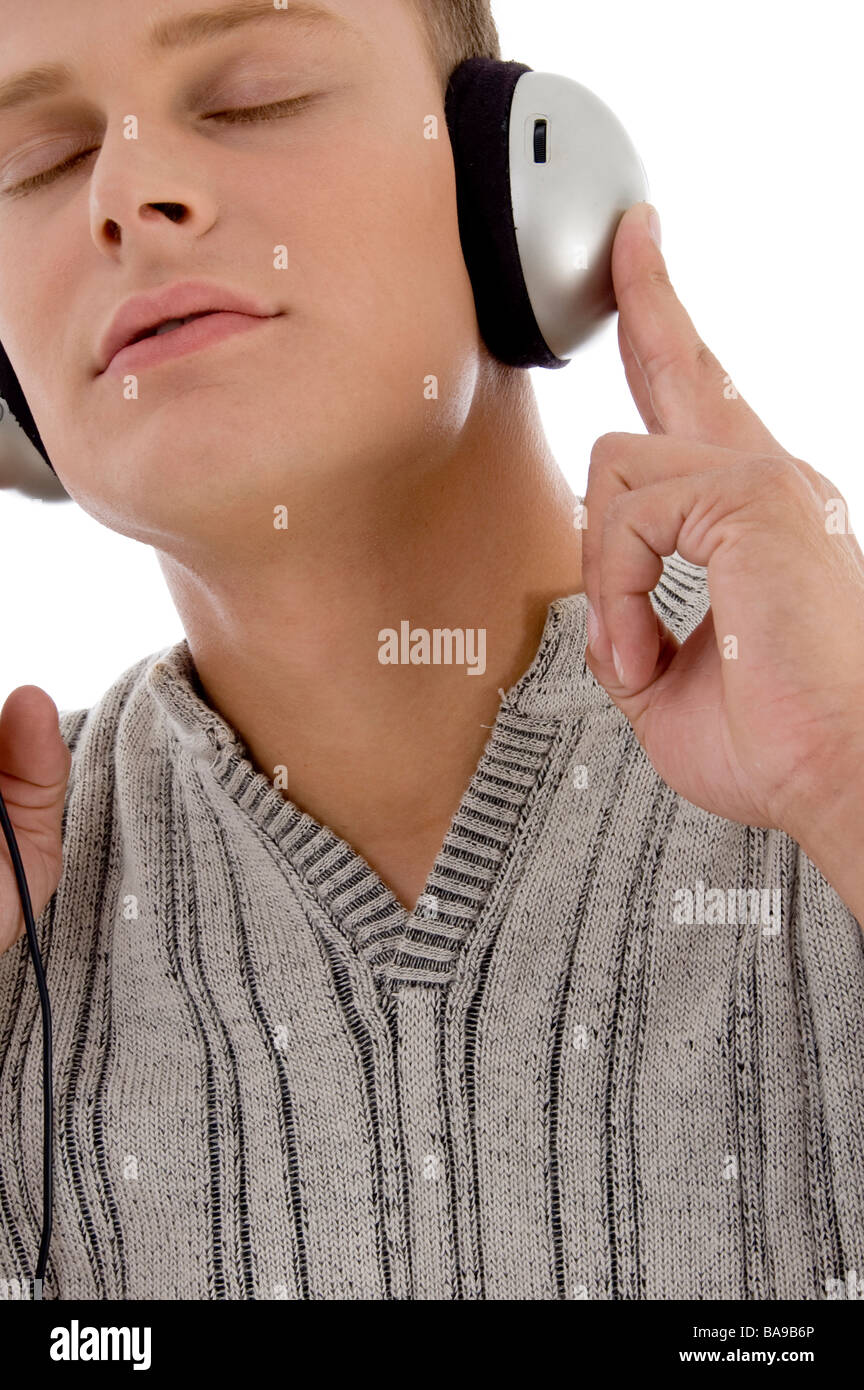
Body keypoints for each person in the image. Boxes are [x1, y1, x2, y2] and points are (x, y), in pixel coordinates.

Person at [0, 0, 862, 1301]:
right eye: (41, 162)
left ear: (519, 185)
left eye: (250, 96)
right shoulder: (20, 916)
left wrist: (852, 774)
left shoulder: (837, 755)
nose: (126, 192)